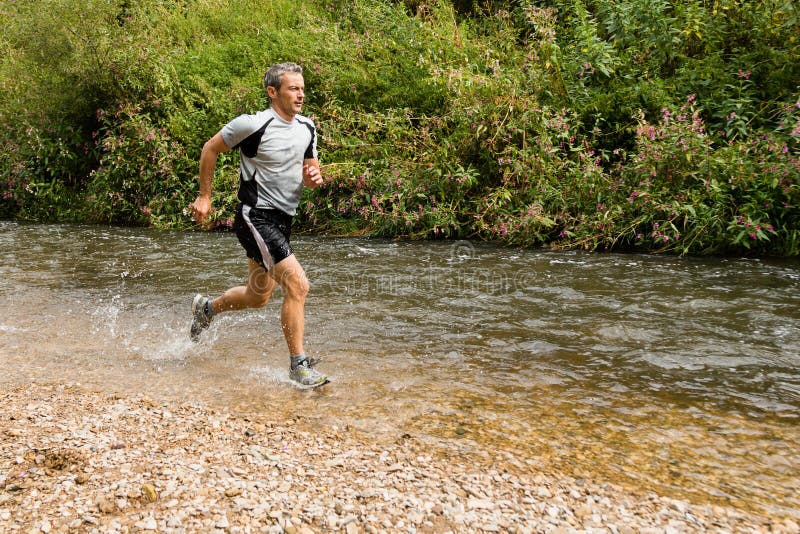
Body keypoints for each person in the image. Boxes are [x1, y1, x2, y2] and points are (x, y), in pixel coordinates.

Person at [188, 62, 327, 388]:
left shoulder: (307, 128)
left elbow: (311, 173)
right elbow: (210, 148)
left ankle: (207, 309)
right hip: (254, 216)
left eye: (302, 88)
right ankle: (299, 365)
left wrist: (314, 177)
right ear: (272, 92)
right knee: (298, 285)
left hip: (283, 219)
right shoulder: (252, 125)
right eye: (293, 88)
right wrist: (204, 197)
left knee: (258, 296)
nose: (300, 94)